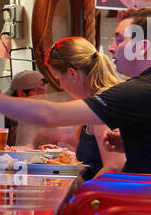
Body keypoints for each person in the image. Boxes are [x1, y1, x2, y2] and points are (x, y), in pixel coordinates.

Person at [0, 8, 151, 173]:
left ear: (143, 48)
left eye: (119, 39)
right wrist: (130, 142)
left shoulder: (143, 91)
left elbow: (48, 115)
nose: (112, 48)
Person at [43, 37, 126, 179]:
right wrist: (67, 156)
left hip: (110, 198)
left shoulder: (101, 104)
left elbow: (114, 166)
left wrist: (81, 194)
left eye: (58, 79)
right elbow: (96, 159)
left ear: (72, 74)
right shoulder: (100, 100)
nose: (61, 86)